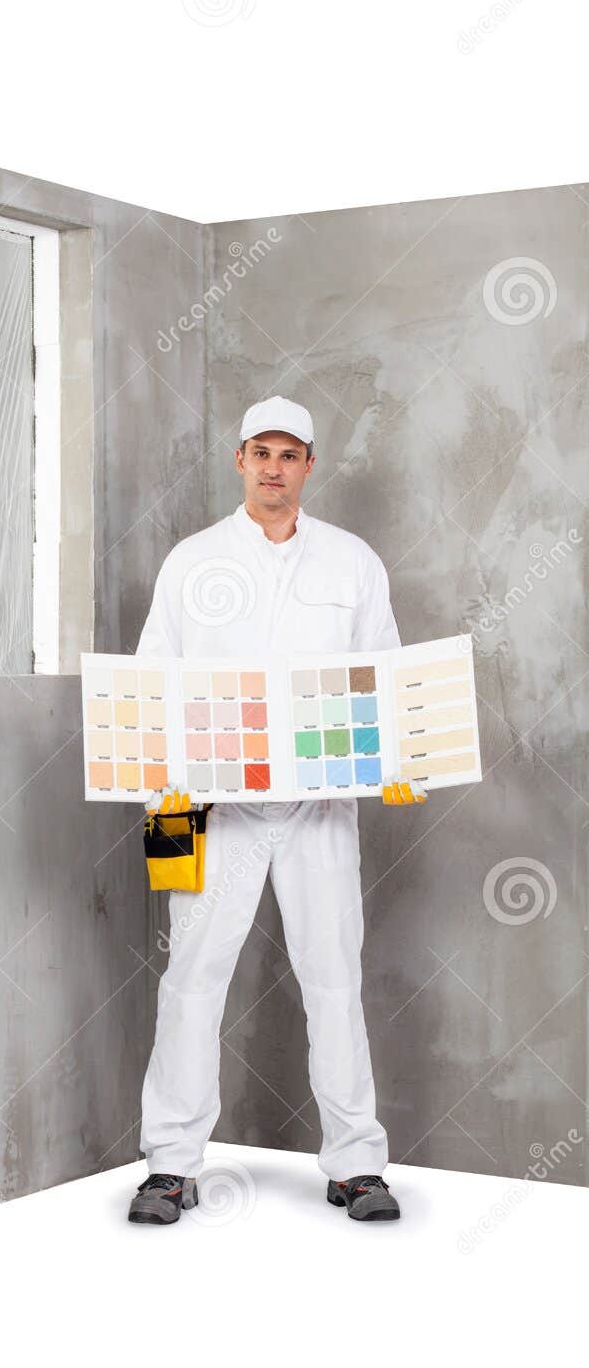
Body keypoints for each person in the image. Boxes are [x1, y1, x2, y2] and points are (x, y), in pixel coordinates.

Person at [128, 395, 424, 1229]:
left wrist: (399, 757)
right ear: (238, 460)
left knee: (333, 980)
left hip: (319, 807)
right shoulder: (193, 560)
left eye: (288, 454)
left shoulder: (351, 561)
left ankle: (356, 1166)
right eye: (258, 451)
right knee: (190, 980)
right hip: (209, 809)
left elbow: (385, 669)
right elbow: (156, 675)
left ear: (309, 465)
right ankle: (170, 1167)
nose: (271, 467)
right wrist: (167, 794)